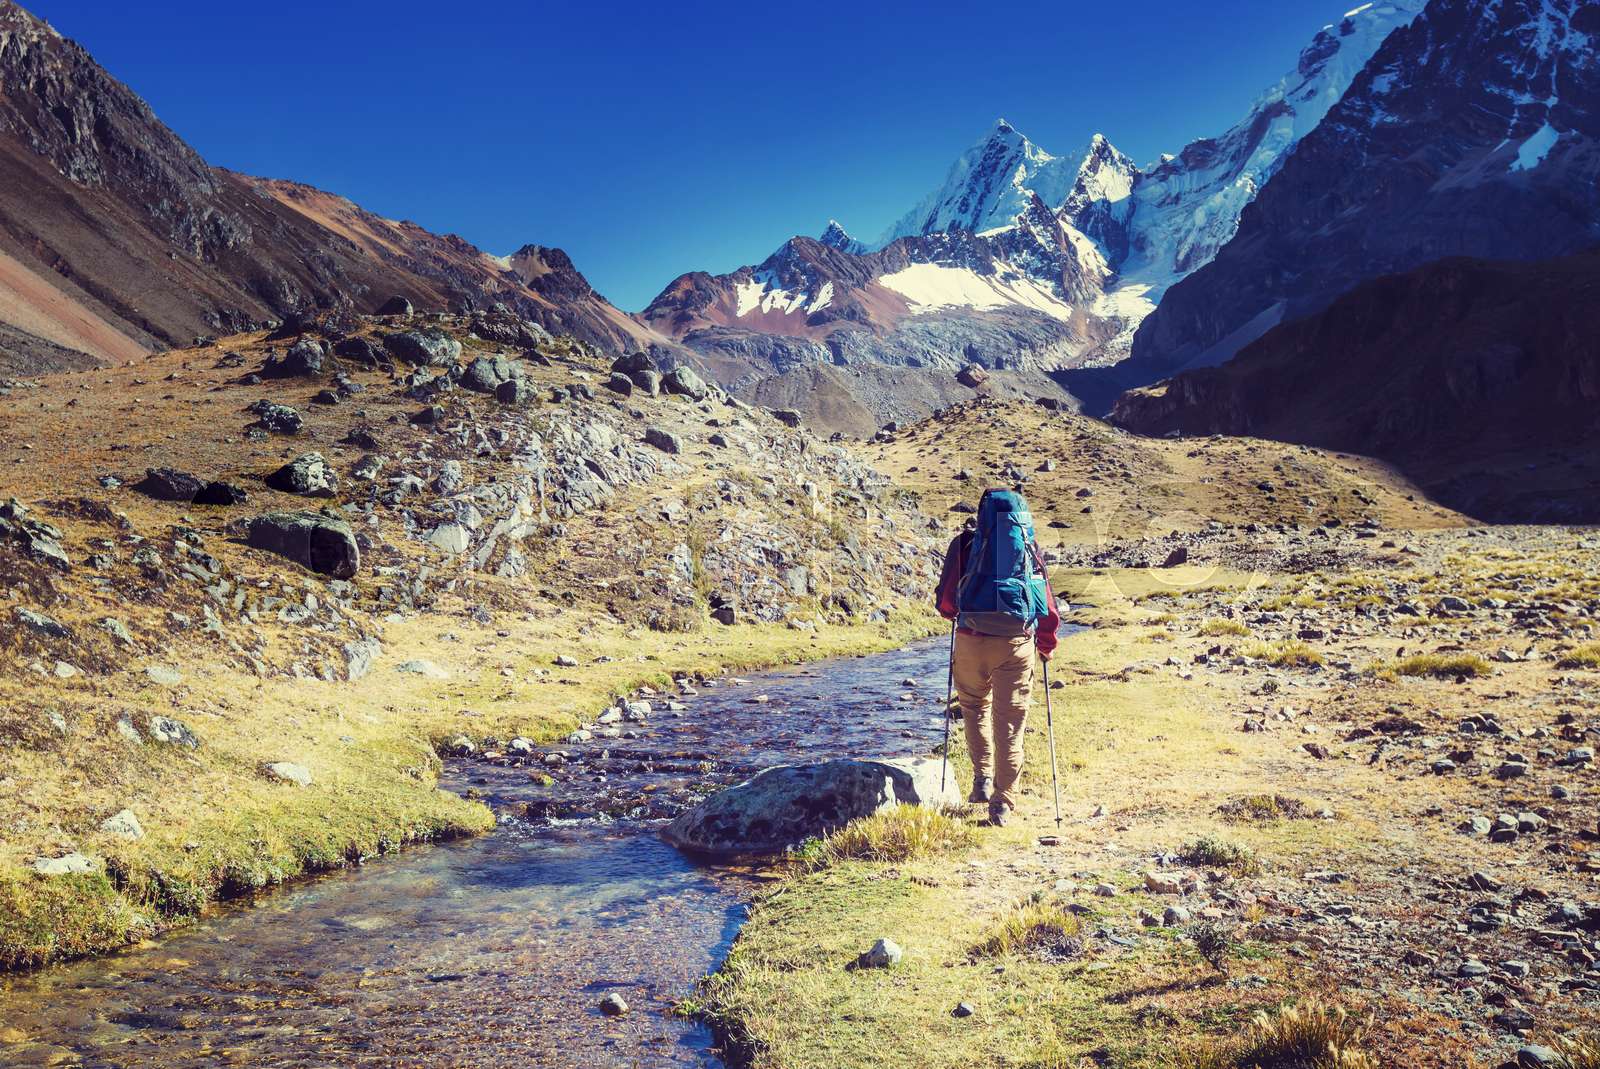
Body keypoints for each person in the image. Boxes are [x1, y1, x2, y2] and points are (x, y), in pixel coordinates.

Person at [934, 488, 1061, 827]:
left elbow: (946, 603)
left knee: (974, 707)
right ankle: (1002, 802)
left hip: (970, 640)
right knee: (1010, 725)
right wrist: (1046, 644)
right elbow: (1045, 605)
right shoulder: (1028, 549)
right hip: (1015, 642)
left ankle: (982, 779)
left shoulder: (964, 544)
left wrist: (963, 614)